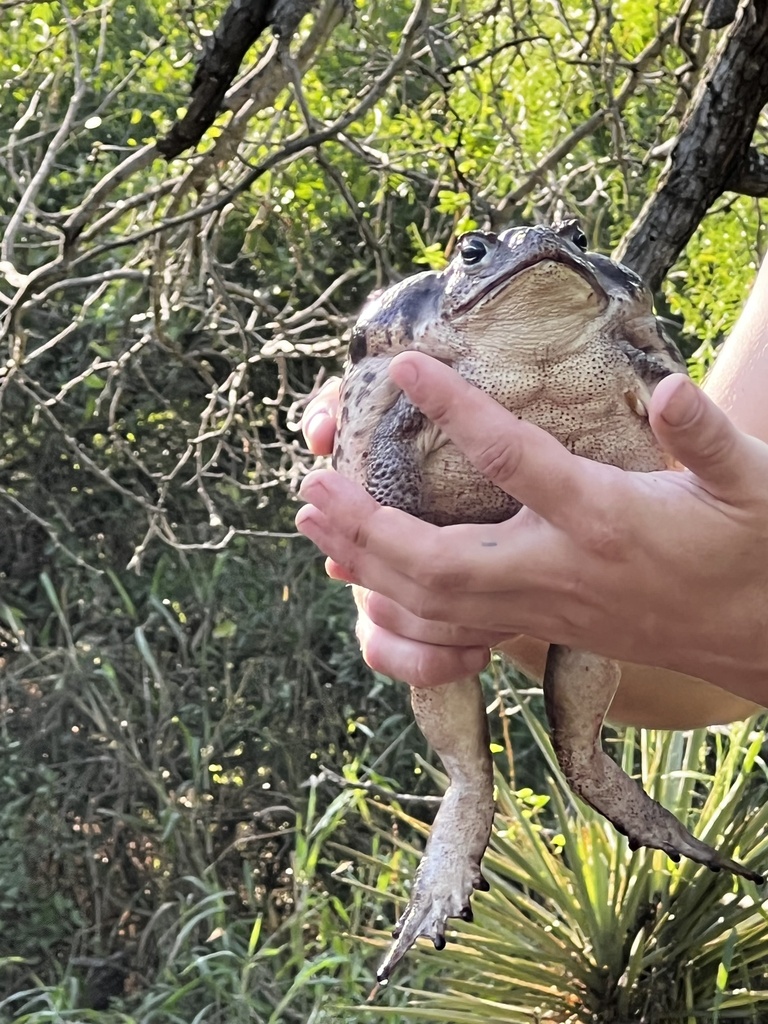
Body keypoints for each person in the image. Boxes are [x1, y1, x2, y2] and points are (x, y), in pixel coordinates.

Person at [295, 252, 768, 730]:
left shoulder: (626, 351)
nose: (540, 250)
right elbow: (705, 688)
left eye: (575, 242)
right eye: (477, 253)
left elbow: (731, 604)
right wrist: (483, 590)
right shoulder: (421, 346)